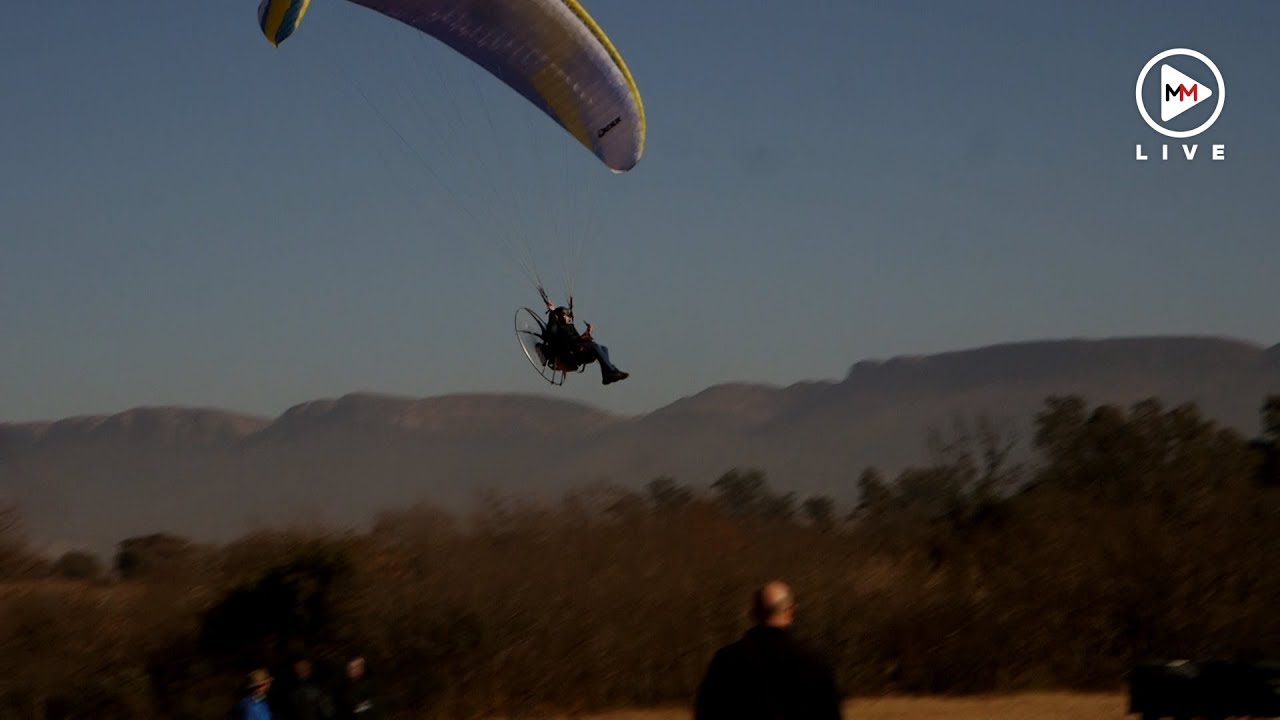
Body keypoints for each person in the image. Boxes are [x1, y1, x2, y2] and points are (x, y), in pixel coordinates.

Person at [694, 581, 843, 720]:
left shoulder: (725, 661)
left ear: (753, 614)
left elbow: (705, 713)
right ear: (791, 610)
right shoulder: (815, 661)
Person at [541, 298, 629, 385]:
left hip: (578, 348)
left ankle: (607, 375)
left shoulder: (569, 327)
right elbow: (551, 330)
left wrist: (588, 332)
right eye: (567, 315)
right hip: (572, 353)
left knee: (604, 348)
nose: (569, 317)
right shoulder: (558, 328)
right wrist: (552, 313)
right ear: (561, 316)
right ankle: (611, 371)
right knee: (595, 347)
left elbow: (577, 338)